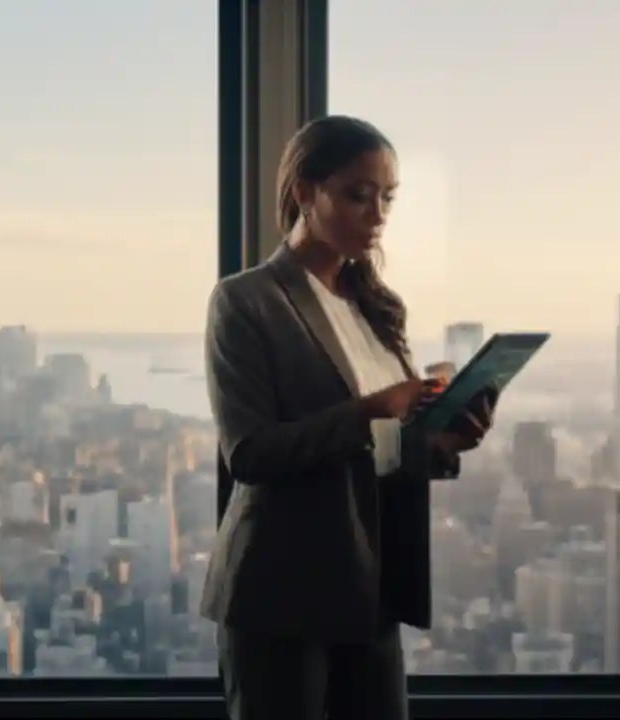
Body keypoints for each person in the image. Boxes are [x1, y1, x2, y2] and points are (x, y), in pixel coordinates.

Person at [201, 115, 496, 720]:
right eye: (358, 194)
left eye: (387, 197)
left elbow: (391, 450)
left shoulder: (375, 308)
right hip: (281, 591)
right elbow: (250, 454)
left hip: (371, 585)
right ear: (306, 192)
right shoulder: (246, 300)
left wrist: (446, 438)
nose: (378, 213)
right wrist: (373, 409)